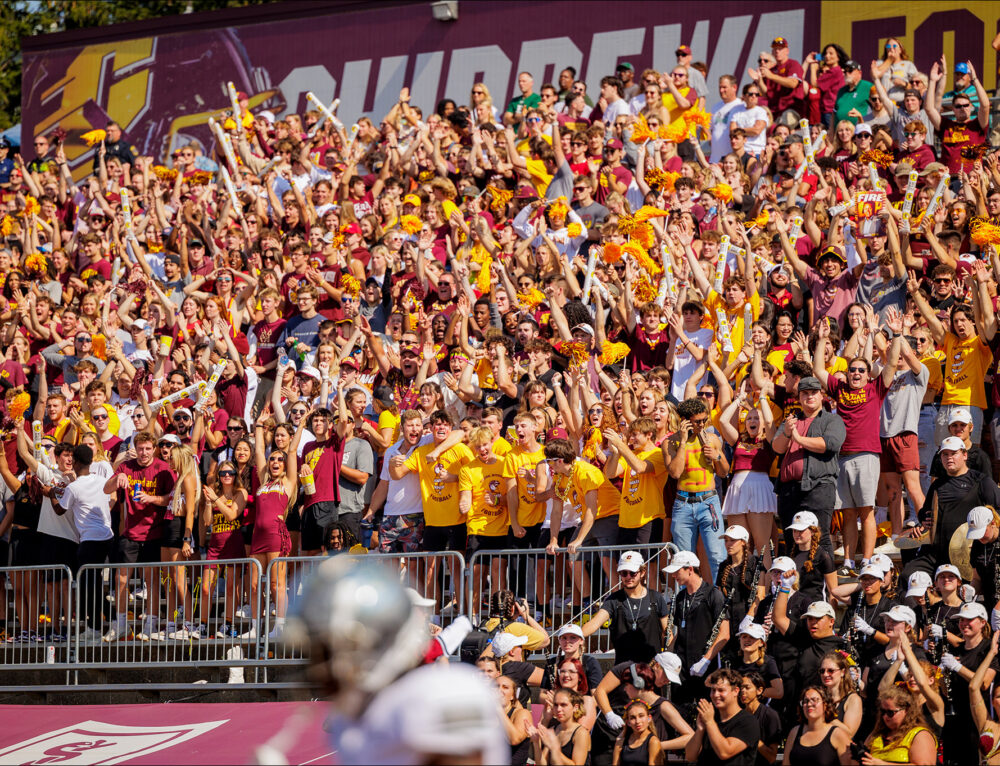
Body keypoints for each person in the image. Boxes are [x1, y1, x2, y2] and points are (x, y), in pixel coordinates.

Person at [665, 397, 729, 578]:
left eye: (704, 420)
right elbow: (675, 473)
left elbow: (724, 472)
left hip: (708, 501)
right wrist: (683, 442)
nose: (702, 424)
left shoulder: (712, 438)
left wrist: (717, 456)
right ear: (685, 421)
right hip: (683, 503)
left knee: (717, 555)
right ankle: (685, 601)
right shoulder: (671, 442)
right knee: (683, 560)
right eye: (697, 421)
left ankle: (721, 599)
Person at [581, 550, 669, 664]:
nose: (628, 577)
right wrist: (574, 635)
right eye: (624, 573)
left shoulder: (656, 598)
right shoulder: (613, 600)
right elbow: (594, 624)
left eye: (633, 573)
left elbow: (667, 633)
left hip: (651, 668)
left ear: (642, 573)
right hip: (624, 669)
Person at [684, 668, 760, 766]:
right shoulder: (711, 718)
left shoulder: (748, 721)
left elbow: (725, 752)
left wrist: (710, 722)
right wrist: (700, 730)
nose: (715, 695)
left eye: (721, 690)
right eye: (713, 690)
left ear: (736, 691)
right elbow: (690, 756)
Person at [863, 686, 938, 765]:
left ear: (906, 710)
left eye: (890, 712)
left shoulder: (920, 735)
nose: (885, 716)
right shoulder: (876, 734)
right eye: (882, 712)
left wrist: (883, 764)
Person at [783, 686, 852, 766]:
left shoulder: (838, 734)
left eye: (814, 700)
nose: (809, 704)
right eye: (805, 701)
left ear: (825, 704)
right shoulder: (794, 732)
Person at [612, 699, 661, 766]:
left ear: (649, 718)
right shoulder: (621, 741)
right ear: (628, 722)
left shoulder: (653, 742)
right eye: (632, 718)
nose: (637, 721)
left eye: (641, 716)